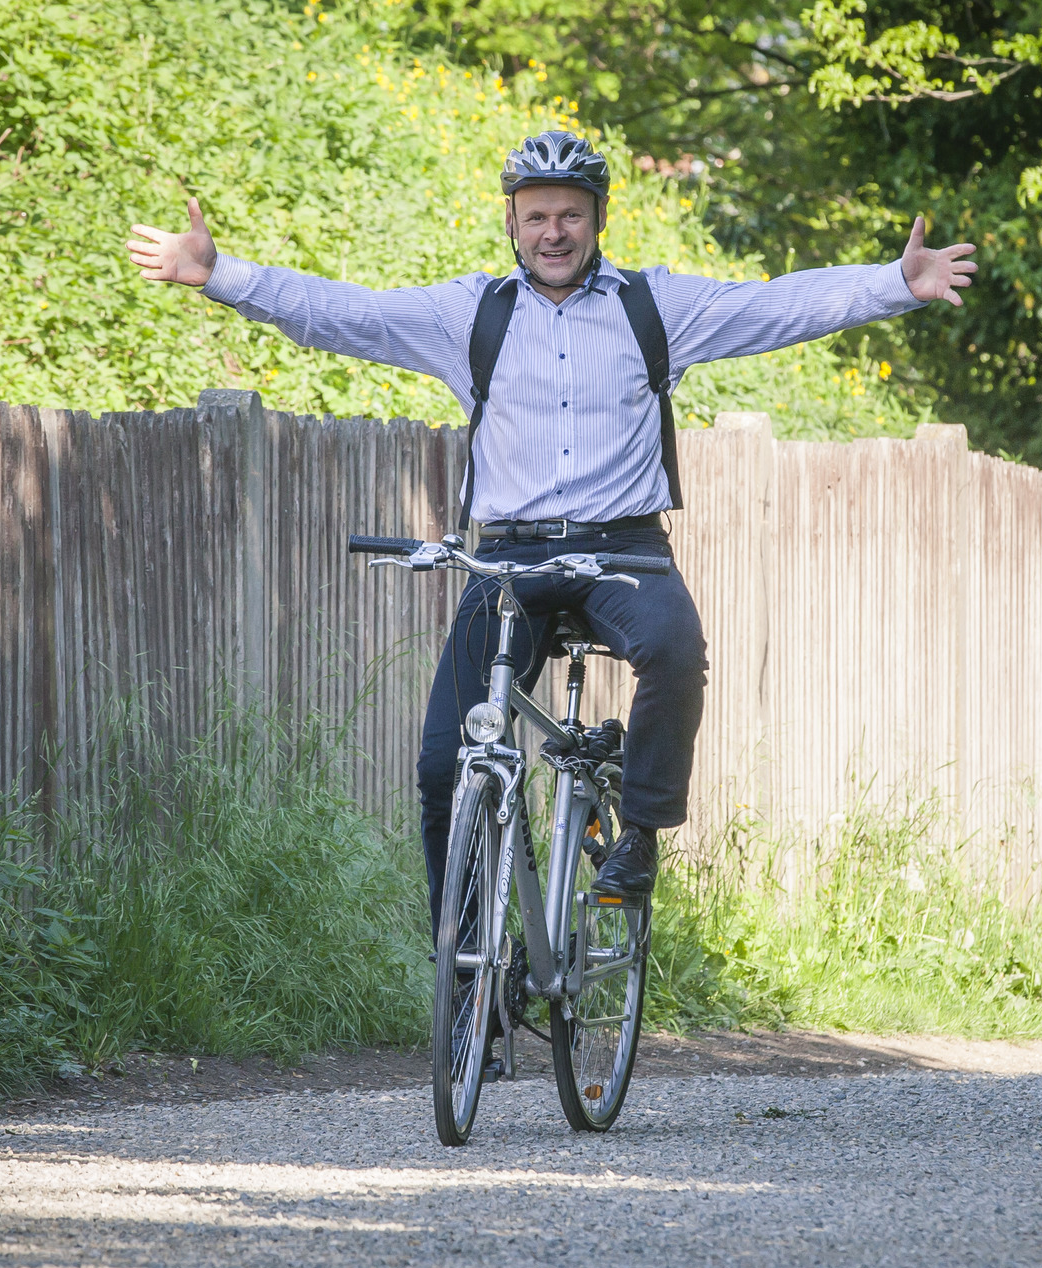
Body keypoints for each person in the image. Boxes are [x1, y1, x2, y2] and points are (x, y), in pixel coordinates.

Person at [126, 129, 976, 920]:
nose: (555, 232)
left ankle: (637, 838)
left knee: (676, 651)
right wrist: (222, 274)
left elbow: (775, 307)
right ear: (512, 222)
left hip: (625, 550)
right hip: (511, 561)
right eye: (538, 216)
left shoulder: (655, 309)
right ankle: (464, 973)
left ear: (598, 218)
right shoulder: (472, 316)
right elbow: (346, 314)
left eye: (571, 213)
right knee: (442, 764)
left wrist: (893, 285)